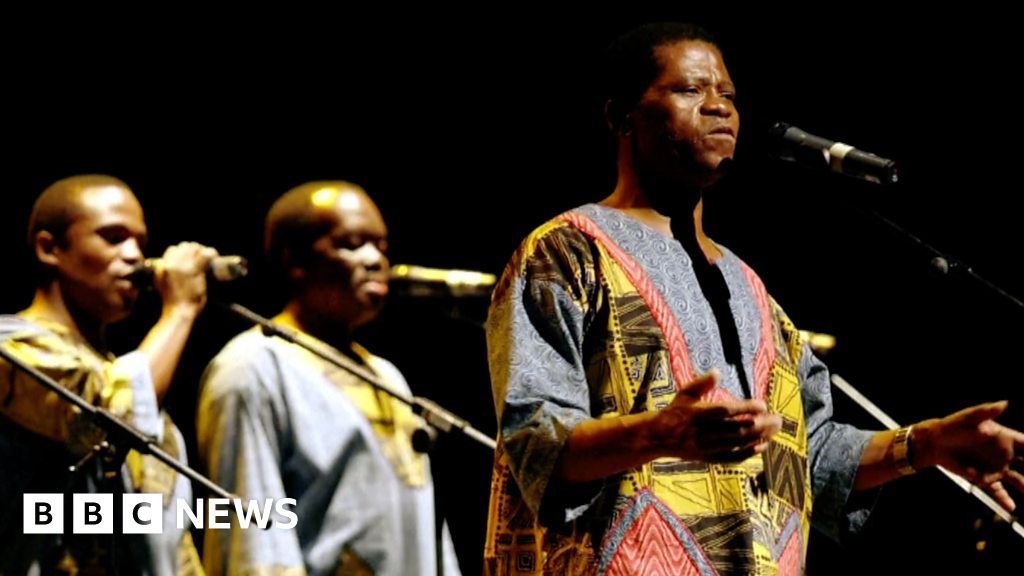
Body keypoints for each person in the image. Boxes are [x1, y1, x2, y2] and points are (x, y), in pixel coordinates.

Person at [483, 23, 1024, 576]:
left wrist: (926, 443)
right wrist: (659, 432)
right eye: (690, 90)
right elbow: (535, 440)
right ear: (622, 116)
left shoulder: (751, 290)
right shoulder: (567, 252)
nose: (719, 107)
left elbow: (806, 459)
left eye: (729, 95)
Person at [197, 181, 461, 576]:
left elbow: (426, 527)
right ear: (295, 261)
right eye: (352, 244)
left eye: (381, 246)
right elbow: (254, 535)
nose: (374, 259)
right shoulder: (252, 367)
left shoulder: (386, 375)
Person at [0, 174, 217, 575]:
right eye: (113, 237)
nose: (134, 254)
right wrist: (181, 311)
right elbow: (107, 413)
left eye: (140, 242)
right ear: (49, 248)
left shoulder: (133, 375)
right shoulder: (10, 349)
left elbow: (168, 531)